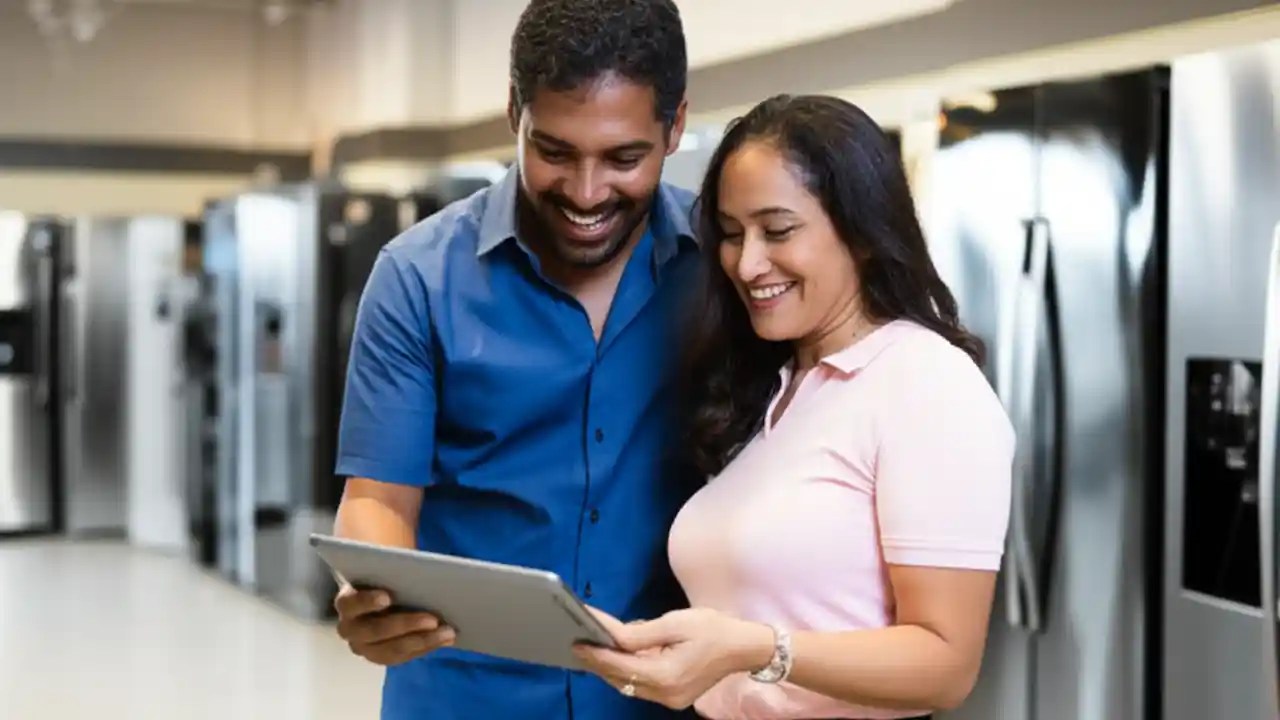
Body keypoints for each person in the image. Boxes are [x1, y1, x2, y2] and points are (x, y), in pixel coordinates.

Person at [574, 94, 1015, 719]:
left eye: (777, 230)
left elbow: (946, 664)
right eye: (731, 235)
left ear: (861, 232)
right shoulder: (779, 389)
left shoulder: (924, 381)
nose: (747, 263)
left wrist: (755, 649)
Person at [328, 1, 701, 718]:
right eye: (554, 151)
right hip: (462, 693)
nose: (587, 193)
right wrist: (372, 595)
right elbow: (377, 499)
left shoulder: (722, 265)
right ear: (513, 113)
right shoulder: (416, 277)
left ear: (675, 125)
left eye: (624, 158)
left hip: (661, 701)